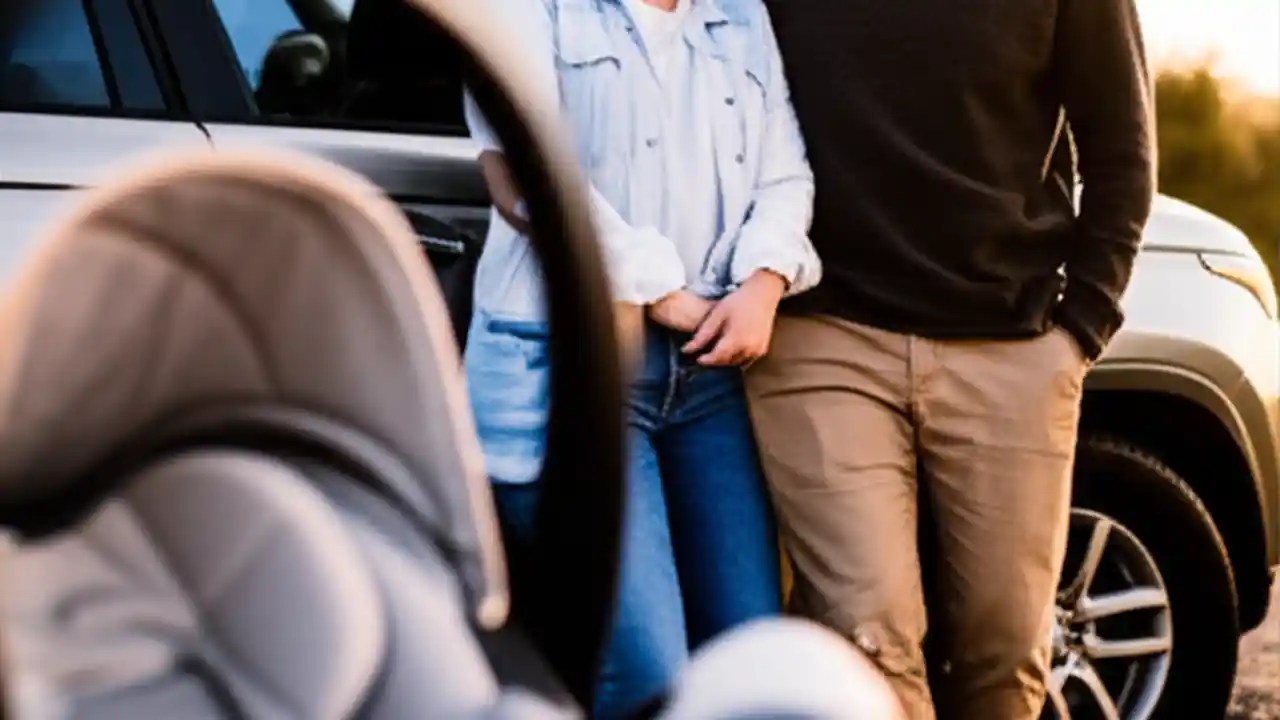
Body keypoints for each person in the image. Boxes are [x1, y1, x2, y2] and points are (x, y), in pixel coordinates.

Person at [743, 2, 1156, 719]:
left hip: (1011, 345)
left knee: (1004, 651)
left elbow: (1123, 149)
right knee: (865, 639)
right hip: (823, 337)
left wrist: (1080, 330)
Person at [462, 0, 821, 716]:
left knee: (748, 658)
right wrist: (658, 287)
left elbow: (786, 175)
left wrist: (764, 280)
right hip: (576, 377)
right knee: (645, 673)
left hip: (710, 384)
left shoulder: (740, 14)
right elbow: (523, 173)